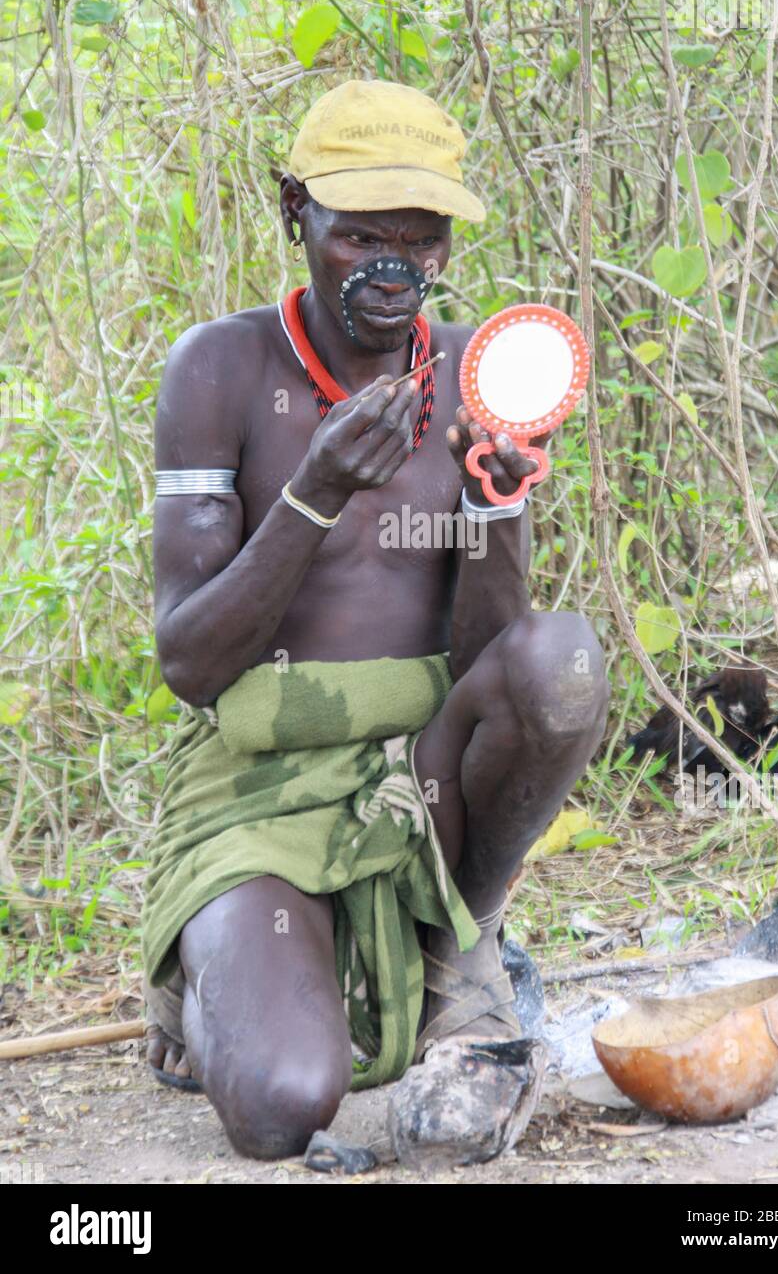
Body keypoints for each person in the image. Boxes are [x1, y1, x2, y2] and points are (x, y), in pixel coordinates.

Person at [142, 78, 609, 1160]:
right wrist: (312, 492)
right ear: (291, 208)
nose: (393, 269)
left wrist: (496, 502)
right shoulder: (219, 371)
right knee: (278, 1106)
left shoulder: (473, 374)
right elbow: (189, 663)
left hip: (420, 775)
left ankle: (460, 942)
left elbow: (489, 659)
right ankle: (206, 973)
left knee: (564, 662)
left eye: (420, 237)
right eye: (359, 236)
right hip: (259, 788)